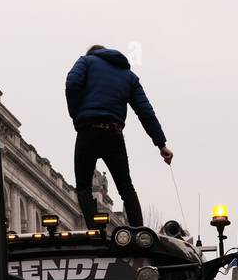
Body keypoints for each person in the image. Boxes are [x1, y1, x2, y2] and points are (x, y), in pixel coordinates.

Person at [65, 45, 173, 227]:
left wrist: (77, 115)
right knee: (126, 187)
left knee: (83, 187)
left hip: (88, 130)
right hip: (113, 133)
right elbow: (146, 111)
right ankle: (139, 231)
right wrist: (161, 144)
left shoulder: (85, 61)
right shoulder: (128, 76)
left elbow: (72, 84)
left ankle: (93, 231)